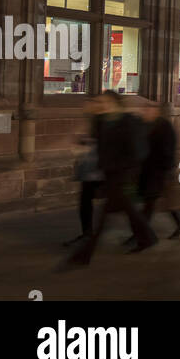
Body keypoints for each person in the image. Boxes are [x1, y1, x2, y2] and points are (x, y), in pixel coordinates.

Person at [67, 91, 156, 265]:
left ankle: (85, 255)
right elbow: (98, 143)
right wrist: (82, 148)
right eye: (101, 102)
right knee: (125, 209)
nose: (103, 105)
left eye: (106, 102)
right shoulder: (102, 121)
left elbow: (138, 151)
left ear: (116, 102)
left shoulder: (128, 122)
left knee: (105, 215)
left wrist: (126, 167)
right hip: (109, 171)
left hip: (122, 173)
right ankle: (148, 237)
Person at [136, 103, 180, 241]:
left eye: (148, 109)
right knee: (158, 202)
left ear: (156, 111)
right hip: (151, 171)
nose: (144, 112)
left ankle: (140, 234)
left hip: (160, 170)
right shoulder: (147, 125)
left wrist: (167, 168)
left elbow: (168, 149)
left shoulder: (164, 127)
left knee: (153, 202)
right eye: (144, 109)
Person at [64, 96, 105, 247]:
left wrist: (84, 143)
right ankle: (87, 234)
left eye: (89, 102)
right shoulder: (94, 119)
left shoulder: (100, 120)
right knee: (86, 201)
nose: (85, 105)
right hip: (93, 170)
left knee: (90, 202)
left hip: (97, 170)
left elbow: (101, 142)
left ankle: (89, 235)